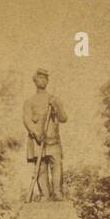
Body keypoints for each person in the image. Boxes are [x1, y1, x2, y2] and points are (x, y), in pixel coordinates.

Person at [23, 68, 68, 201]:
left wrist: (55, 108)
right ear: (35, 81)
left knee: (57, 164)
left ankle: (57, 192)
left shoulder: (54, 99)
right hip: (37, 140)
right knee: (41, 167)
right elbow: (27, 120)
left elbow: (63, 118)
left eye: (45, 78)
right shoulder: (29, 101)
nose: (42, 80)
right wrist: (36, 133)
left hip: (53, 138)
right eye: (40, 78)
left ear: (47, 81)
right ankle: (45, 195)